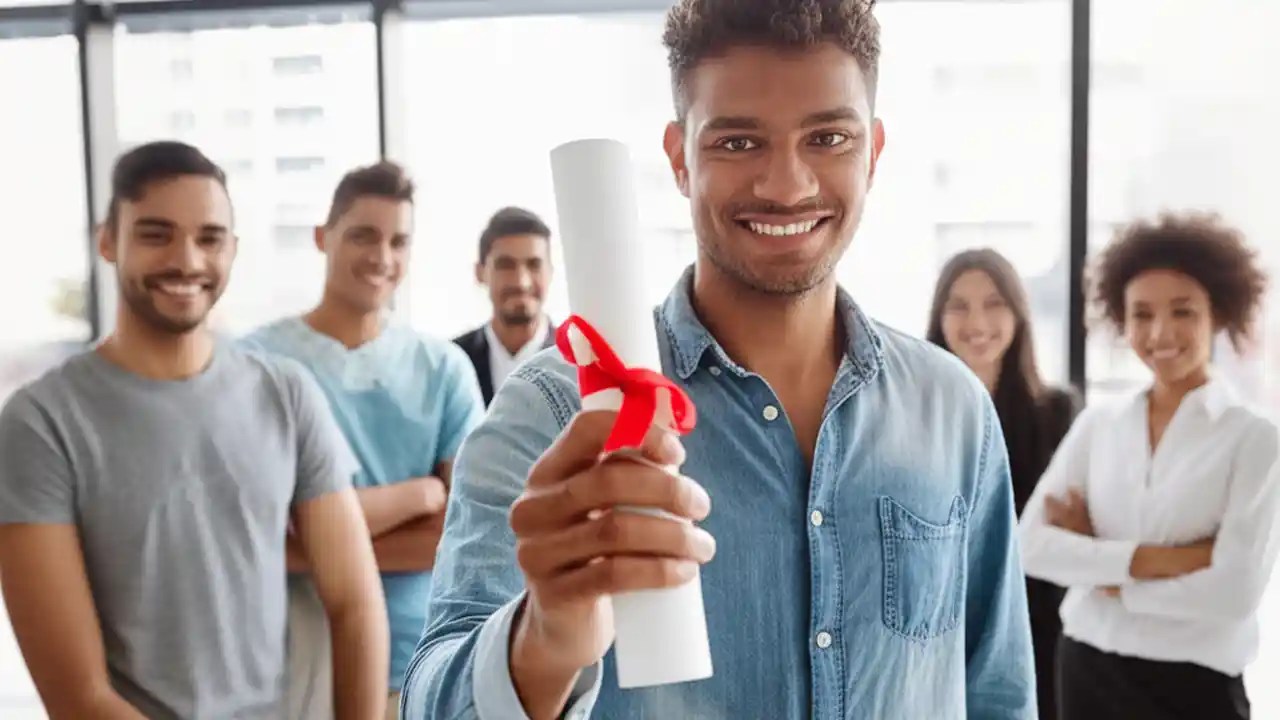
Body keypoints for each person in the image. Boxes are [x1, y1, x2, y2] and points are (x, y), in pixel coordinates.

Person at [402, 1, 1035, 718]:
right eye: (738, 144)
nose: (787, 185)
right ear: (679, 157)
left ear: (874, 151)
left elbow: (997, 696)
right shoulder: (553, 413)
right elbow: (430, 702)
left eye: (827, 137)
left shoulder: (952, 412)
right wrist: (542, 641)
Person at [0, 141, 389, 719]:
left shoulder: (285, 393)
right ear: (109, 241)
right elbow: (78, 697)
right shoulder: (38, 424)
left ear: (232, 249)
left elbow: (356, 603)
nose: (187, 260)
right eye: (157, 234)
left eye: (209, 238)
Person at [243, 161, 485, 719]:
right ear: (322, 238)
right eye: (363, 235)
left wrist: (315, 541)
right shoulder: (255, 363)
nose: (382, 257)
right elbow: (254, 531)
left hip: (412, 661)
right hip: (285, 662)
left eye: (399, 241)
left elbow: (462, 537)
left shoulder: (442, 368)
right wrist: (418, 495)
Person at [1019, 212, 1279, 720]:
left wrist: (1105, 573)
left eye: (1183, 311)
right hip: (1086, 671)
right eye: (1141, 314)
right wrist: (1167, 560)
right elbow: (1031, 547)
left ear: (1218, 315)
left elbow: (1233, 594)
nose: (1160, 332)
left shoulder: (1254, 438)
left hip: (1196, 687)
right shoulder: (1098, 424)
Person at [927, 248, 1081, 720]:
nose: (977, 322)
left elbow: (1071, 533)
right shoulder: (917, 413)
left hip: (1039, 625)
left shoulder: (1056, 412)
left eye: (994, 303)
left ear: (1018, 314)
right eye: (959, 305)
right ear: (939, 318)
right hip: (939, 622)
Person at [453, 206, 557, 406]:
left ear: (550, 272)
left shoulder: (580, 364)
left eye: (534, 265)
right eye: (505, 265)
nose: (521, 282)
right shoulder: (452, 362)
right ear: (480, 272)